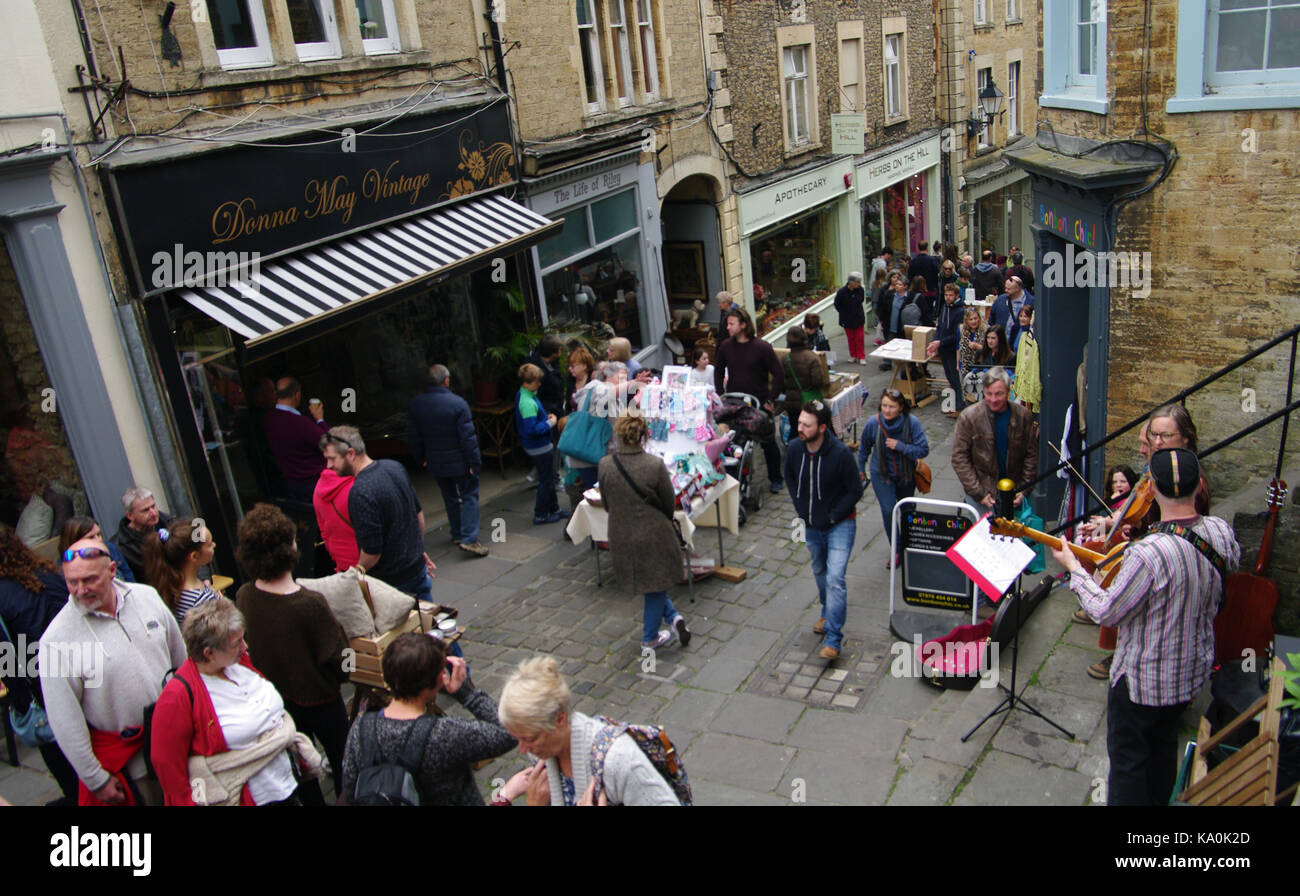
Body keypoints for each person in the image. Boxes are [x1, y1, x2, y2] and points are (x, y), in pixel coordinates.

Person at [1052, 448, 1239, 806]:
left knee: (1128, 767)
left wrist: (1075, 570)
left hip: (1142, 682)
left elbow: (1106, 612)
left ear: (1150, 489)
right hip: (1188, 676)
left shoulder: (1149, 553)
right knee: (1163, 753)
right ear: (1199, 484)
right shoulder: (1219, 531)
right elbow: (1230, 558)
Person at [40, 535, 187, 805]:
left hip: (182, 744)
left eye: (89, 580)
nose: (80, 590)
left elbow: (183, 664)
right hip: (134, 768)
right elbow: (65, 722)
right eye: (72, 582)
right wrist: (96, 779)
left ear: (111, 571)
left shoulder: (147, 597)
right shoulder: (55, 641)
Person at [151, 599, 321, 806]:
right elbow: (167, 767)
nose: (245, 646)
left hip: (286, 784)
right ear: (209, 653)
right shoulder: (177, 696)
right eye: (236, 643)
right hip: (251, 799)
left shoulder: (238, 662)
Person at [234, 503, 351, 795]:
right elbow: (340, 662)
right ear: (289, 548)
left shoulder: (245, 595)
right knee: (344, 762)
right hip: (322, 700)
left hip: (278, 701)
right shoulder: (309, 603)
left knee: (300, 768)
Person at [341, 633, 514, 806]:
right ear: (434, 682)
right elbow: (510, 732)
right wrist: (466, 692)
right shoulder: (445, 734)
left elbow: (350, 793)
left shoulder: (361, 729)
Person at [495, 656, 681, 805]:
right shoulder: (541, 756)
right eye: (518, 738)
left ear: (560, 719)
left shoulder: (618, 760)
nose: (522, 749)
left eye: (530, 738)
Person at [597, 415, 692, 650]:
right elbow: (669, 504)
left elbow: (606, 502)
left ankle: (673, 618)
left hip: (621, 533)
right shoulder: (654, 465)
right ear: (643, 437)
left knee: (651, 581)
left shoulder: (605, 465)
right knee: (656, 582)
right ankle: (649, 638)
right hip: (653, 533)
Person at [0, 523, 79, 802]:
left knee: (70, 777)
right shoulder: (49, 573)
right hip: (83, 672)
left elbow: (6, 660)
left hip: (44, 692)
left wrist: (21, 704)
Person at [785, 400, 864, 660]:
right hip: (810, 525)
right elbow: (790, 476)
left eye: (806, 425)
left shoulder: (840, 454)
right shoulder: (795, 449)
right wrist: (800, 507)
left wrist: (833, 515)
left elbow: (855, 489)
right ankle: (825, 610)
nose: (800, 428)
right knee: (819, 571)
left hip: (840, 524)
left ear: (821, 428)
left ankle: (833, 637)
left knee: (835, 580)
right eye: (799, 423)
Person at [321, 426, 438, 600]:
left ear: (351, 454)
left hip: (390, 584)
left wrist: (356, 572)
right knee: (427, 622)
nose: (329, 466)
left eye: (332, 459)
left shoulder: (360, 492)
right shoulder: (394, 467)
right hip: (417, 570)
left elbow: (372, 551)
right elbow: (418, 516)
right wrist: (418, 550)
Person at [408, 364, 489, 558]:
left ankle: (457, 532)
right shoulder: (458, 404)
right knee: (469, 495)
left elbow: (414, 436)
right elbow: (468, 439)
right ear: (446, 380)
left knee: (449, 496)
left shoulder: (416, 404)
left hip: (436, 461)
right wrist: (475, 463)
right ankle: (469, 539)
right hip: (460, 461)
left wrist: (421, 459)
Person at [714, 307, 786, 493]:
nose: (727, 327)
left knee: (768, 442)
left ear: (743, 325)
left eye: (731, 324)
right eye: (727, 323)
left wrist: (772, 399)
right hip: (734, 403)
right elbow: (718, 370)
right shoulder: (726, 346)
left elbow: (778, 373)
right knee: (733, 440)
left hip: (759, 401)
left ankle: (776, 478)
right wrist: (719, 394)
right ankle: (736, 477)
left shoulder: (762, 347)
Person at [951, 367, 1038, 514]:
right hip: (983, 493)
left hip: (1013, 492)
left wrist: (1024, 490)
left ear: (1009, 391)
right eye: (989, 394)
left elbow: (1031, 456)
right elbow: (959, 458)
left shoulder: (1023, 416)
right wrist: (978, 492)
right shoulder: (969, 417)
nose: (993, 399)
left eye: (999, 394)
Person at [858, 391, 929, 568]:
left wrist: (901, 446)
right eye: (884, 406)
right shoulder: (873, 423)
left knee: (907, 511)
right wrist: (860, 469)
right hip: (881, 474)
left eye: (891, 406)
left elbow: (923, 449)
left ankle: (908, 543)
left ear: (901, 408)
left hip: (906, 475)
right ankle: (897, 550)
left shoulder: (912, 423)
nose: (887, 410)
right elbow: (864, 448)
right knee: (889, 511)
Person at [141, 516, 220, 625]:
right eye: (210, 544)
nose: (214, 545)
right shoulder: (202, 600)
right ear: (194, 556)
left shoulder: (173, 587)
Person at [262, 377, 330, 503]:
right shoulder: (300, 423)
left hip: (292, 484)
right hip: (315, 483)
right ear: (297, 395)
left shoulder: (269, 419)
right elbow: (331, 444)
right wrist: (320, 419)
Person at [516, 364, 565, 526]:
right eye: (537, 382)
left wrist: (544, 418)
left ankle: (553, 508)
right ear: (528, 383)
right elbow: (532, 429)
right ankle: (541, 514)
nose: (539, 384)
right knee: (546, 480)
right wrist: (550, 422)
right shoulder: (527, 402)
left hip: (538, 446)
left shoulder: (525, 395)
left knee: (549, 477)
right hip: (539, 447)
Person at [111, 486, 173, 582]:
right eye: (145, 510)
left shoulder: (170, 523)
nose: (153, 513)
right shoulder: (120, 547)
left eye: (153, 506)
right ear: (130, 516)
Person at [926, 283, 967, 417]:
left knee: (955, 379)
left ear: (956, 296)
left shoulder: (960, 311)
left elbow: (957, 334)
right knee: (950, 377)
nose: (948, 297)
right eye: (946, 295)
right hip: (943, 347)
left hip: (952, 349)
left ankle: (960, 406)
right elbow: (940, 327)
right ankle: (955, 404)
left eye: (950, 295)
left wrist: (940, 342)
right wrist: (935, 341)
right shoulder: (944, 307)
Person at [59, 516, 133, 583]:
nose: (99, 540)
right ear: (75, 541)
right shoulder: (67, 565)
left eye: (99, 534)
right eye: (91, 537)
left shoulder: (109, 547)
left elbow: (128, 574)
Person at [312, 466, 358, 572]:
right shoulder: (359, 487)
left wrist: (337, 559)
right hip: (366, 565)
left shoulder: (319, 487)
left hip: (343, 565)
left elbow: (324, 531)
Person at [781, 328, 829, 423]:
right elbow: (818, 381)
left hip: (792, 403)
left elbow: (781, 382)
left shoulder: (784, 359)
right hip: (810, 401)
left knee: (795, 429)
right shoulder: (812, 357)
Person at [526, 335, 566, 420]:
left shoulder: (552, 362)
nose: (561, 351)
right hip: (550, 413)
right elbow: (539, 395)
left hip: (556, 406)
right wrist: (548, 413)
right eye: (559, 349)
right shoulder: (537, 373)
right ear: (553, 353)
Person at [990, 275, 1035, 346]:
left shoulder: (1032, 302)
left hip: (1022, 344)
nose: (1006, 290)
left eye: (1009, 289)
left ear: (1018, 288)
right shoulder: (1000, 300)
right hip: (1002, 345)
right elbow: (991, 320)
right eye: (1005, 288)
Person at [833, 273, 867, 364]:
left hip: (858, 317)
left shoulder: (860, 290)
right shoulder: (841, 292)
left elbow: (861, 300)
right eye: (857, 282)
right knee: (851, 338)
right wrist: (844, 313)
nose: (859, 284)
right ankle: (853, 355)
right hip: (847, 319)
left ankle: (861, 356)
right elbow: (837, 304)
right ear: (851, 282)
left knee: (859, 338)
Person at [880, 272, 911, 370]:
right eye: (896, 284)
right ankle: (887, 362)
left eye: (899, 284)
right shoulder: (890, 295)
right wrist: (882, 320)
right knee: (889, 343)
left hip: (902, 327)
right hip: (890, 325)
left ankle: (903, 366)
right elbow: (884, 308)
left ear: (905, 287)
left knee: (902, 346)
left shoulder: (909, 298)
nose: (897, 286)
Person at [957, 307, 988, 401]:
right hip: (965, 365)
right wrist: (958, 363)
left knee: (980, 393)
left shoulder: (985, 330)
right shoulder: (961, 330)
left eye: (976, 318)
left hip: (980, 366)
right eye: (971, 319)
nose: (974, 321)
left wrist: (978, 347)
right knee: (968, 393)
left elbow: (990, 349)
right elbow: (958, 347)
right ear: (966, 320)